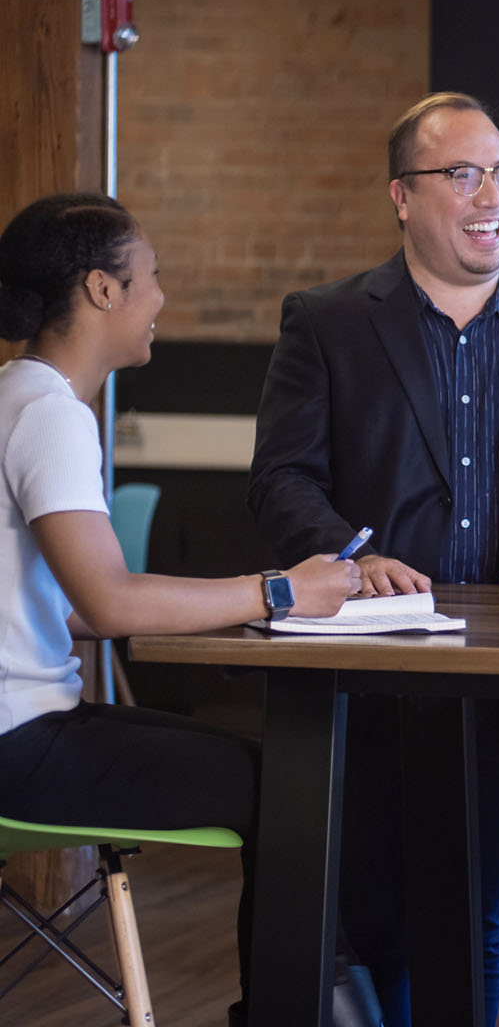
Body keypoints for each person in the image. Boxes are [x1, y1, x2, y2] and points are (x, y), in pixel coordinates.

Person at [248, 92, 499, 1025]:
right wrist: (347, 553)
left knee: (475, 921)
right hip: (370, 670)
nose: (490, 192)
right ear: (402, 196)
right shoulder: (329, 322)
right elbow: (279, 480)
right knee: (379, 924)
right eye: (462, 173)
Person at [0, 193, 360, 1027]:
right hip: (21, 744)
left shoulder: (18, 395)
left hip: (30, 727)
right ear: (102, 289)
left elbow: (73, 608)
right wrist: (280, 591)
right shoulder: (49, 415)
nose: (161, 299)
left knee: (275, 770)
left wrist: (239, 606)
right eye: (152, 278)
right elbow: (108, 600)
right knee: (289, 788)